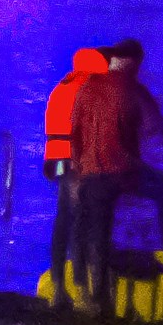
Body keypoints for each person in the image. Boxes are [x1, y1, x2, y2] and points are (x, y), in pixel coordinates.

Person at [66, 38, 163, 317]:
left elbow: (75, 134)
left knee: (99, 232)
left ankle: (98, 297)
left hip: (90, 173)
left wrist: (75, 174)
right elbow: (159, 129)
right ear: (133, 62)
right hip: (122, 170)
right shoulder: (131, 88)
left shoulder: (86, 88)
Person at [38, 45, 109, 309]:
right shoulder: (86, 90)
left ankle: (59, 286)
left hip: (55, 162)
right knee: (79, 222)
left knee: (63, 218)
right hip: (73, 163)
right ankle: (81, 291)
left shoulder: (63, 86)